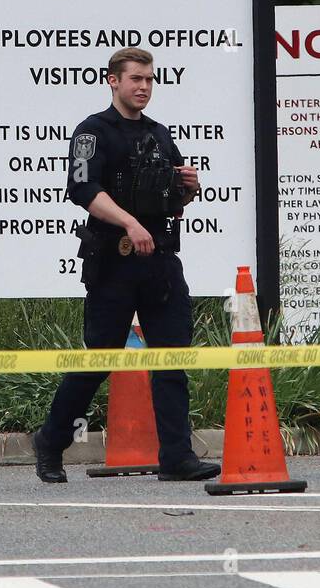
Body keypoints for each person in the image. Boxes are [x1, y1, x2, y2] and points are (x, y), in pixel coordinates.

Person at [33, 46, 220, 484]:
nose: (144, 87)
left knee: (171, 357)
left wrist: (189, 187)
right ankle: (51, 441)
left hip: (159, 260)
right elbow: (82, 189)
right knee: (99, 358)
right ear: (113, 81)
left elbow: (172, 198)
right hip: (114, 261)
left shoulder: (158, 133)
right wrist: (130, 223)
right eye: (136, 79)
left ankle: (177, 457)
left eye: (150, 80)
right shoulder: (92, 132)